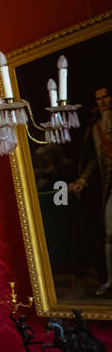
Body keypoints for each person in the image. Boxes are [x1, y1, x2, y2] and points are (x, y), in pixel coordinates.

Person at [72, 86, 112, 293]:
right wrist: (83, 179)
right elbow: (93, 162)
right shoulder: (95, 129)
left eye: (106, 97)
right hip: (109, 187)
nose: (103, 102)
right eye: (99, 99)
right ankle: (110, 280)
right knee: (109, 233)